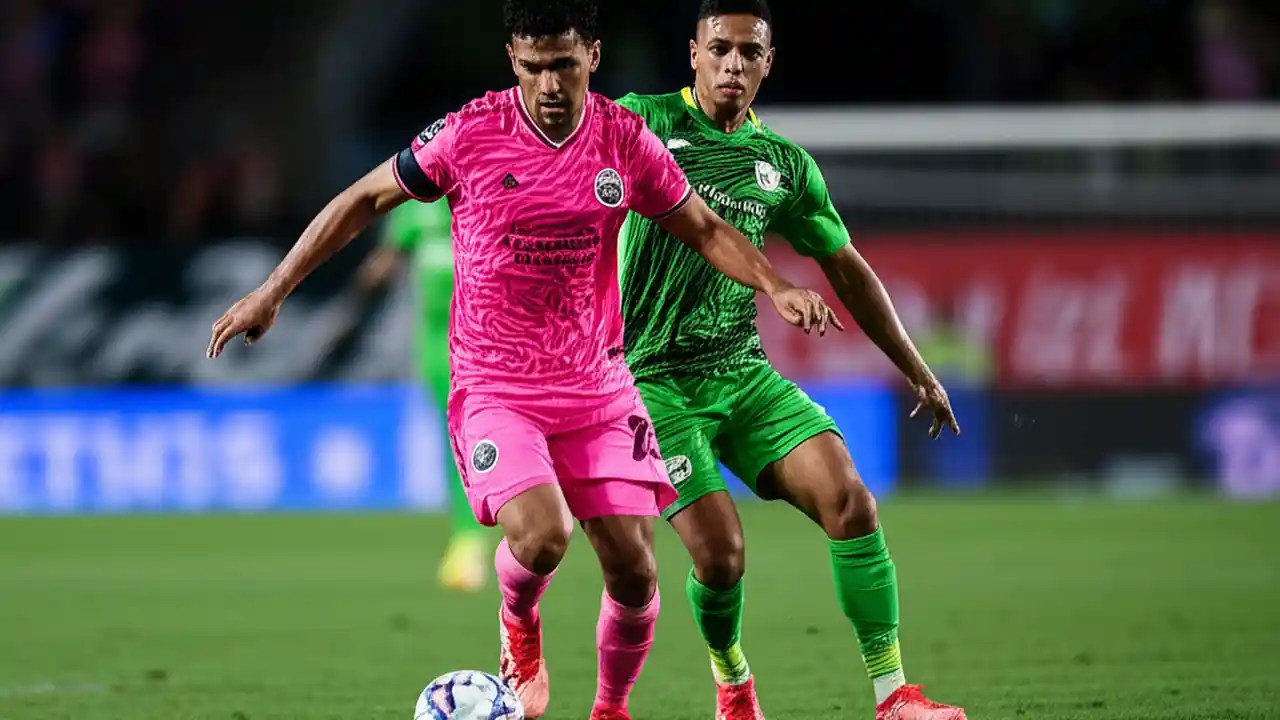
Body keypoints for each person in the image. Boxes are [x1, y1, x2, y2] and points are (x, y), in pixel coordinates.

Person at [205, 2, 838, 718]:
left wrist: (776, 284)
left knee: (634, 571)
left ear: (591, 58)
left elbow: (701, 225)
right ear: (513, 59)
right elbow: (365, 197)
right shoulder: (470, 134)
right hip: (496, 385)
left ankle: (609, 709)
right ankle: (519, 627)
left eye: (563, 65)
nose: (549, 84)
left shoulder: (624, 138)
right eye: (533, 66)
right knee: (542, 537)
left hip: (599, 385)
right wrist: (272, 290)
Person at [614, 2, 966, 719]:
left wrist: (918, 369)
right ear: (692, 53)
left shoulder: (783, 167)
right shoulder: (639, 120)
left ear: (768, 63)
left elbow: (848, 269)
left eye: (749, 53)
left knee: (852, 502)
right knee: (720, 557)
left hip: (741, 373)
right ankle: (733, 681)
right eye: (720, 49)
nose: (733, 65)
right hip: (650, 380)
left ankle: (893, 693)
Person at [353, 199, 493, 593]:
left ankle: (493, 530)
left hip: (488, 339)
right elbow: (390, 256)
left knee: (486, 435)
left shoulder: (490, 189)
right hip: (436, 343)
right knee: (456, 441)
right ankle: (468, 537)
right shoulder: (415, 207)